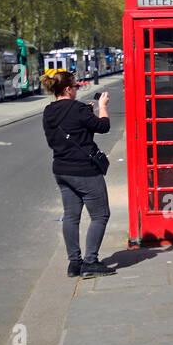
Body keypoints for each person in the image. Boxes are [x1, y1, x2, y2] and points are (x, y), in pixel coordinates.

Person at [42, 69, 113, 278]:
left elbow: (66, 133)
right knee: (100, 215)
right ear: (67, 89)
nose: (77, 89)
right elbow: (104, 126)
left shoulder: (48, 111)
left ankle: (74, 263)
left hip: (62, 170)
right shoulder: (79, 109)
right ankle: (90, 262)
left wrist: (85, 115)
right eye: (75, 86)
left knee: (71, 217)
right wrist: (102, 107)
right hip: (84, 171)